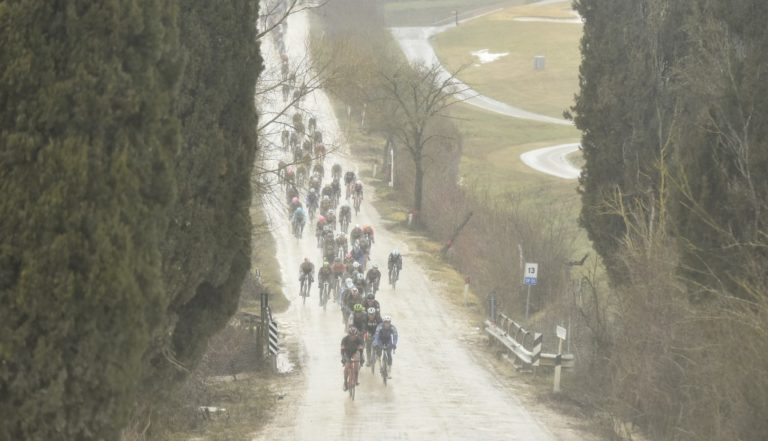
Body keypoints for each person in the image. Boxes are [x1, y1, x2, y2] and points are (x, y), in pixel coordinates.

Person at [340, 326, 365, 390]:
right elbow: (342, 350)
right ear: (348, 335)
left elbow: (361, 351)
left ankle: (356, 380)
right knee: (347, 366)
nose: (352, 337)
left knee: (356, 366)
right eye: (351, 335)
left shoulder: (359, 340)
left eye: (354, 335)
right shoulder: (344, 339)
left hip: (355, 352)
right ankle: (345, 382)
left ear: (356, 335)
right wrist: (343, 358)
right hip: (347, 353)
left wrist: (361, 358)